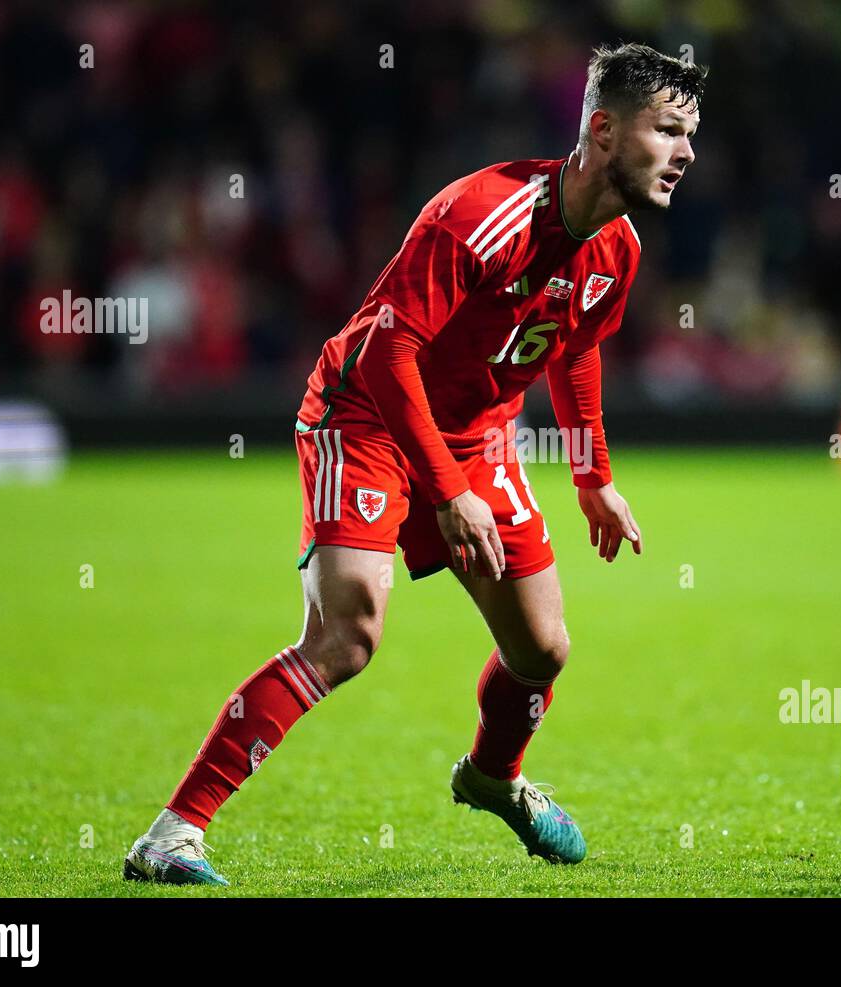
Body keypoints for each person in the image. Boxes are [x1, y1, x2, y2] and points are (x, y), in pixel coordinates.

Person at [124, 42, 704, 885]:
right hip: (364, 414)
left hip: (474, 433)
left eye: (692, 134)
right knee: (346, 634)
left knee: (542, 648)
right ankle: (171, 834)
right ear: (605, 131)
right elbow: (390, 355)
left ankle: (492, 778)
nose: (687, 152)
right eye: (671, 130)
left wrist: (594, 477)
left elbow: (573, 351)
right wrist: (446, 494)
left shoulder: (616, 250)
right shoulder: (479, 212)